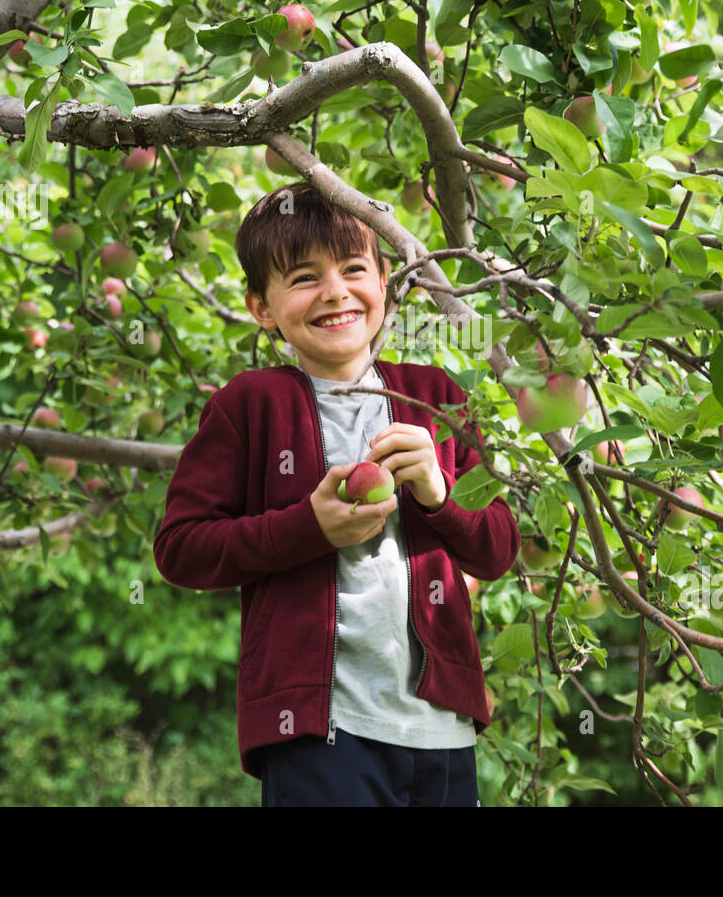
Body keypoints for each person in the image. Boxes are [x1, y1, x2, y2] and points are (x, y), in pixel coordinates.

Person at [152, 181, 520, 806]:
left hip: (441, 727)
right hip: (317, 731)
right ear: (261, 308)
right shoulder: (248, 406)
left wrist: (440, 494)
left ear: (384, 281)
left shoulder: (437, 397)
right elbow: (181, 548)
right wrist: (308, 528)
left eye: (354, 269)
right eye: (302, 277)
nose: (334, 292)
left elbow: (499, 551)